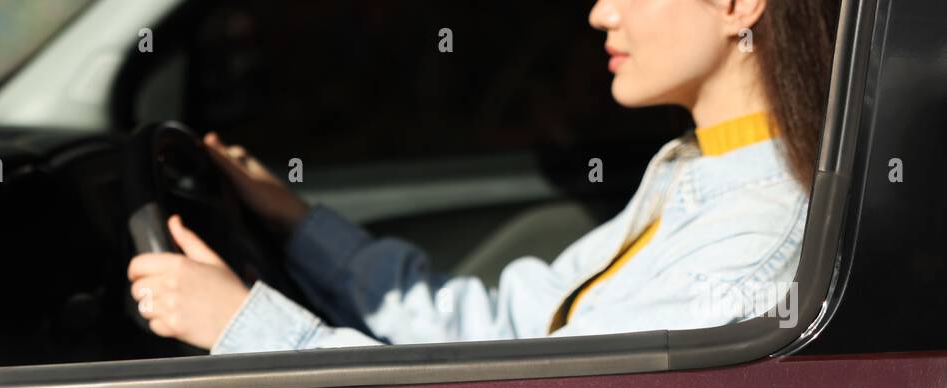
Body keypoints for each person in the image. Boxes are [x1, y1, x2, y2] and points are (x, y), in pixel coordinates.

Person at [126, 0, 840, 355]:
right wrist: (299, 223)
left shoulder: (754, 242)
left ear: (740, 6)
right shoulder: (696, 169)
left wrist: (241, 325)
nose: (599, 11)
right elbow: (505, 328)